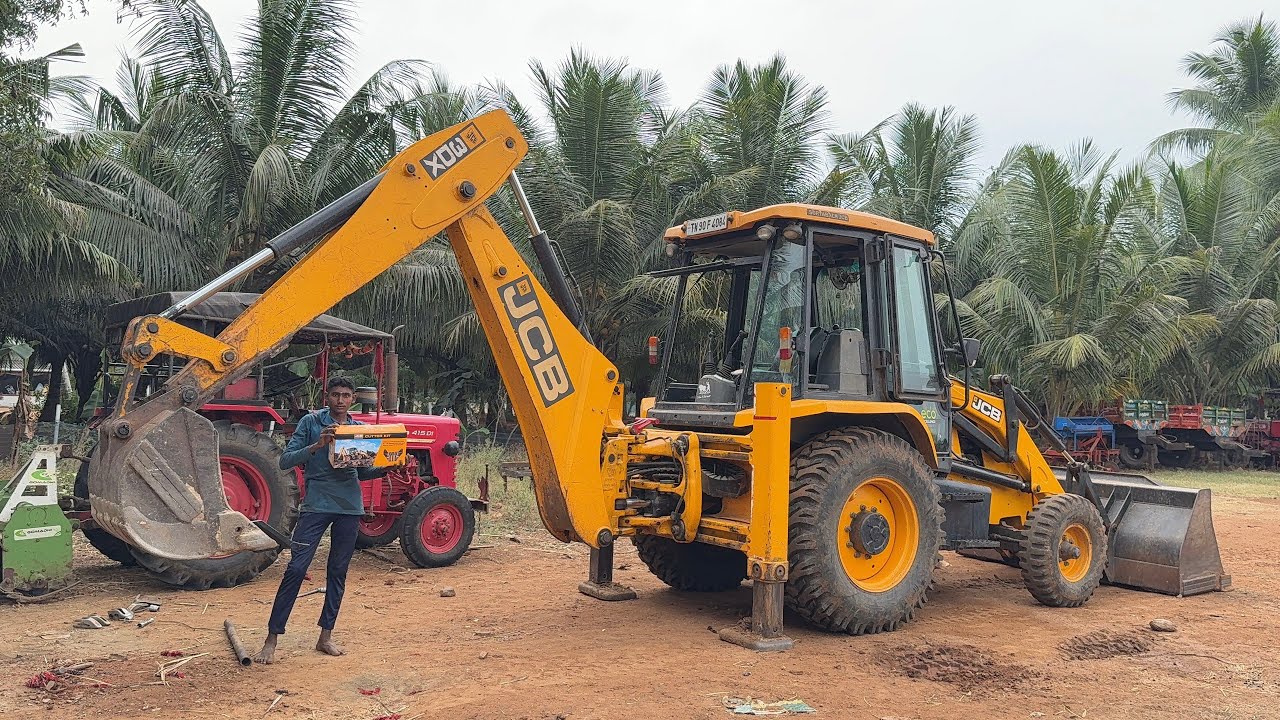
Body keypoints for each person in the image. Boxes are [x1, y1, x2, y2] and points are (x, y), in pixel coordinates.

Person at [254, 376, 386, 663]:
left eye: (346, 395)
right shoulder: (311, 423)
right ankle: (272, 638)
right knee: (296, 568)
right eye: (336, 394)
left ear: (353, 399)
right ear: (327, 397)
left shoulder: (359, 429)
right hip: (316, 504)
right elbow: (285, 461)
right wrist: (317, 444)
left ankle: (326, 636)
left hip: (349, 506)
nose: (341, 399)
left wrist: (388, 467)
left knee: (338, 571)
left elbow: (362, 473)